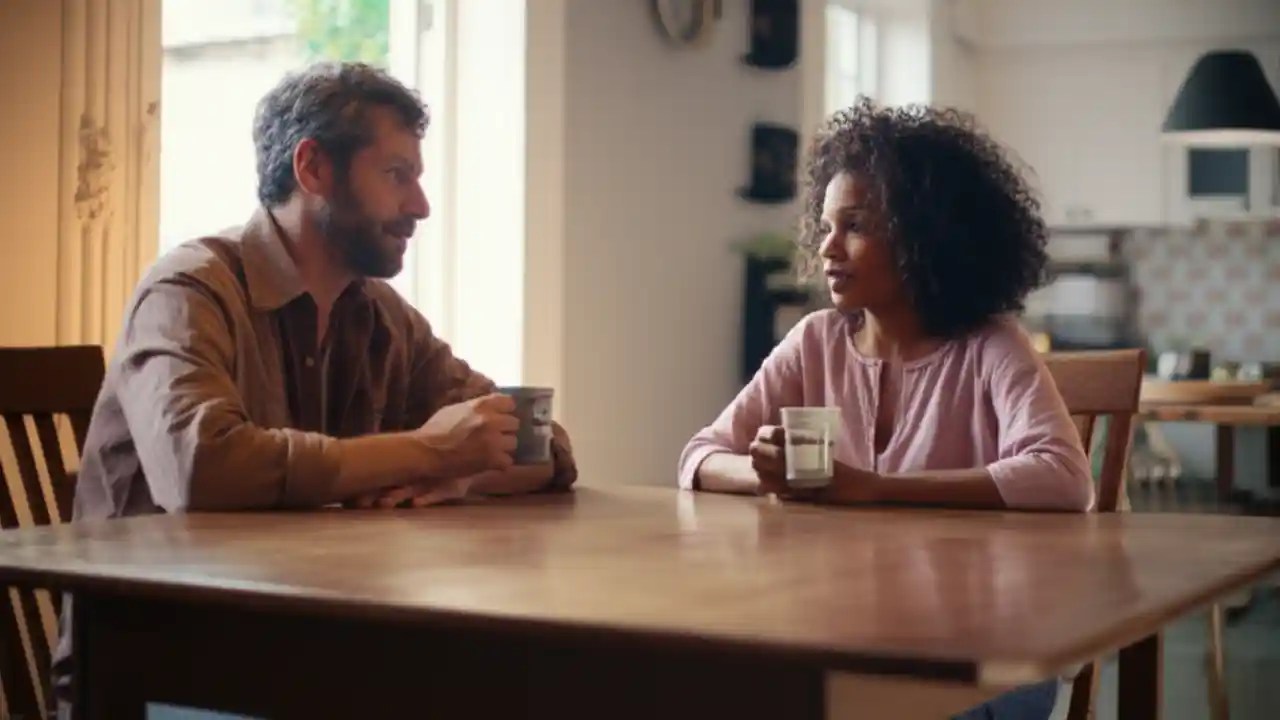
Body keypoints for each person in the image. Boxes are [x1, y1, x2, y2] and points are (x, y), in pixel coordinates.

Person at [54, 61, 576, 710]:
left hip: (309, 654)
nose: (420, 205)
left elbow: (544, 448)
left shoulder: (382, 316)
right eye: (396, 175)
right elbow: (202, 468)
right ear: (313, 169)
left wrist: (461, 471)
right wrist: (430, 450)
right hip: (163, 673)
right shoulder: (189, 290)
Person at [677, 99, 1091, 719]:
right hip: (853, 639)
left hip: (985, 652)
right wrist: (764, 472)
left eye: (857, 226)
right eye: (824, 228)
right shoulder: (815, 340)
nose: (828, 249)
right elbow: (699, 456)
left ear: (925, 233)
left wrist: (873, 487)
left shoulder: (989, 344)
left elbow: (1064, 476)